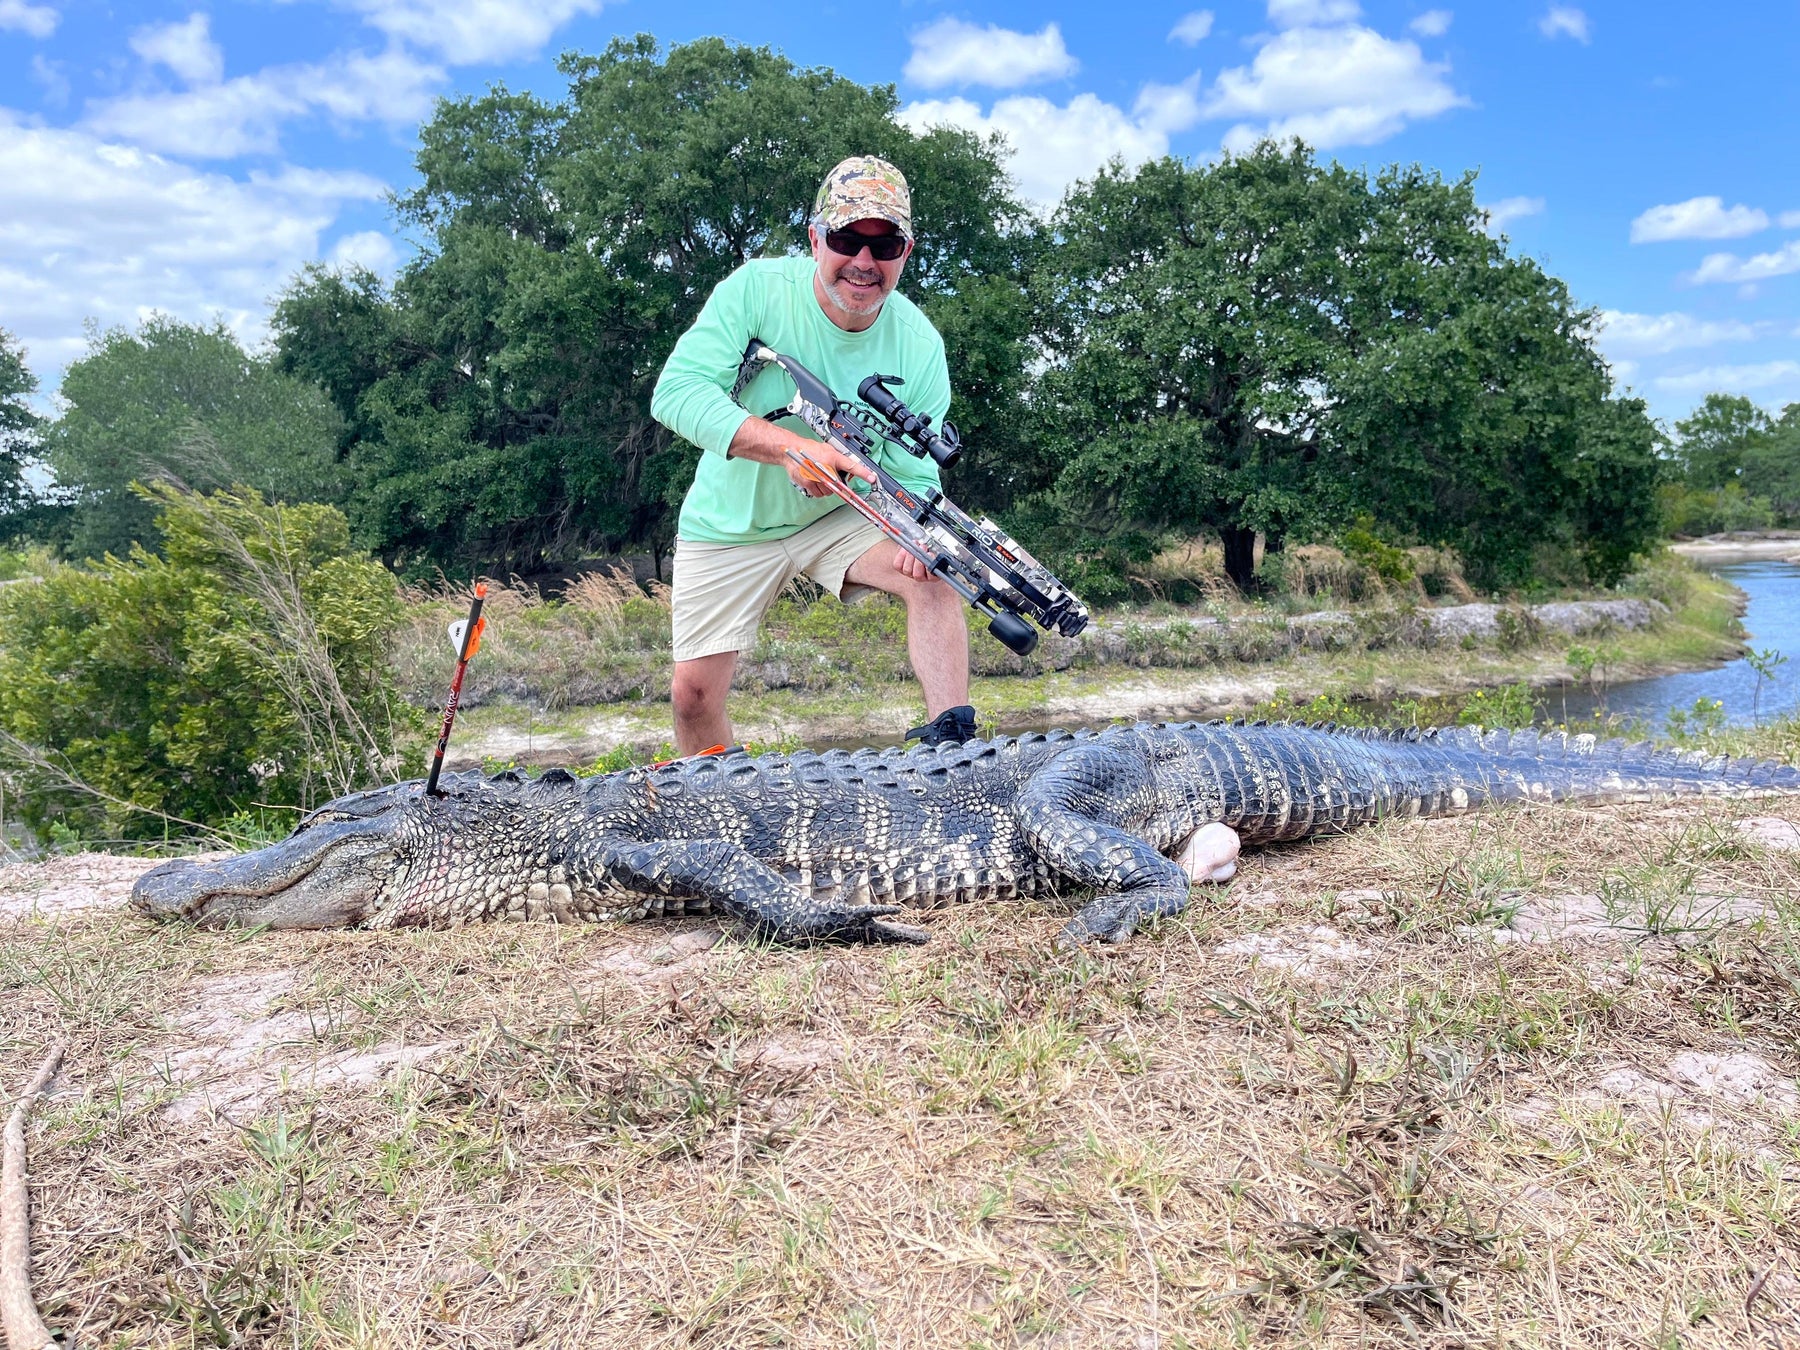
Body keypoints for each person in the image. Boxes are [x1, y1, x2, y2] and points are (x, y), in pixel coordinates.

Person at [649, 155, 978, 756]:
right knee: (692, 697)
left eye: (885, 246)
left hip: (842, 515)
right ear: (815, 239)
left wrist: (919, 533)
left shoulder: (921, 345)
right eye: (847, 239)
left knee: (935, 567)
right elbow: (676, 393)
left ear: (907, 252)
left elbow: (916, 472)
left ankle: (955, 757)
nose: (864, 262)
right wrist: (791, 449)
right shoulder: (756, 290)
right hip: (732, 520)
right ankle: (717, 804)